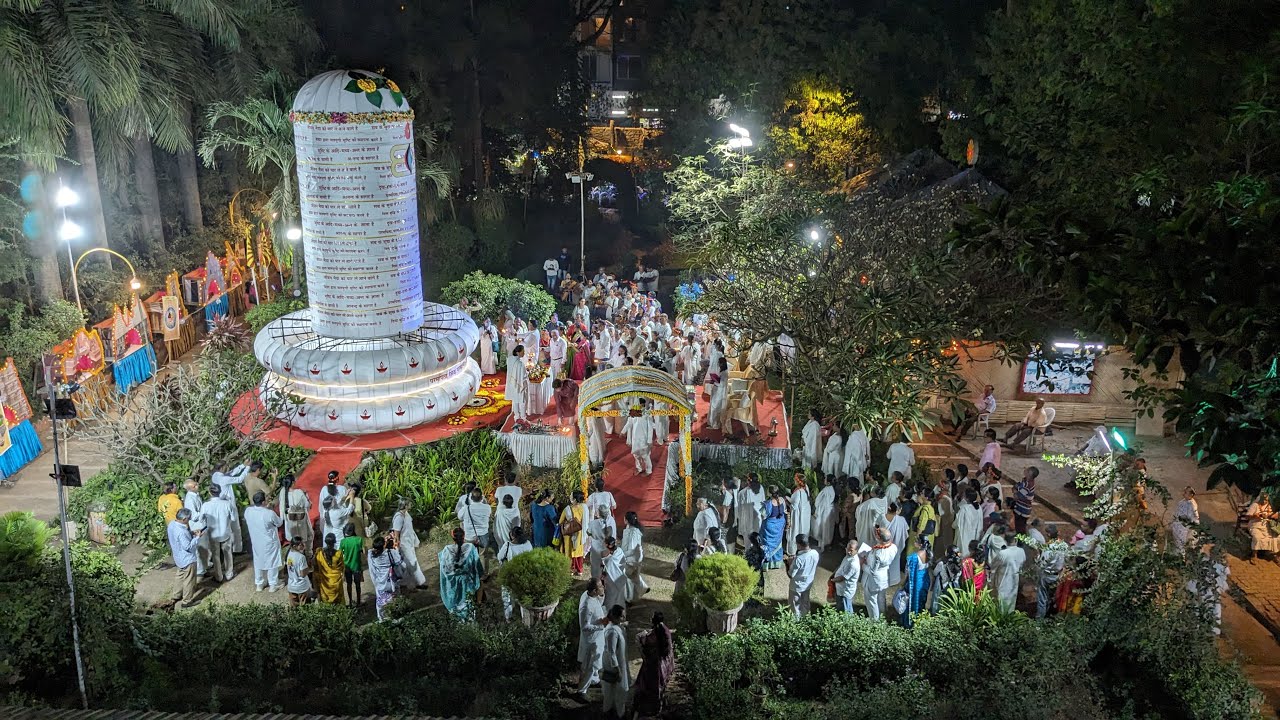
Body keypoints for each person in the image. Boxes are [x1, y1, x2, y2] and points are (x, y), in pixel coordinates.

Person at [633, 612, 675, 717]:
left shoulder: (656, 633)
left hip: (654, 663)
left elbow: (645, 641)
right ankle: (658, 706)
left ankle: (651, 708)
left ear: (654, 620)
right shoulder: (664, 630)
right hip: (663, 663)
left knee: (651, 686)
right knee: (660, 686)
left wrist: (642, 637)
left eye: (652, 617)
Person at [439, 527, 483, 620]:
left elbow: (443, 568)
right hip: (467, 584)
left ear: (453, 537)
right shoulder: (470, 548)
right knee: (468, 609)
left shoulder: (446, 550)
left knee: (455, 611)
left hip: (452, 587)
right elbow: (478, 567)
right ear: (464, 536)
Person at [242, 491, 283, 592]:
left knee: (257, 560)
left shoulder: (248, 511)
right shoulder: (269, 513)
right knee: (272, 561)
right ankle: (273, 584)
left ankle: (259, 583)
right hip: (269, 542)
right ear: (264, 502)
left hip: (256, 541)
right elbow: (279, 523)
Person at [575, 578, 607, 699]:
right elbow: (584, 627)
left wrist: (602, 595)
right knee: (589, 666)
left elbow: (598, 604)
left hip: (597, 637)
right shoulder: (586, 605)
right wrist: (601, 626)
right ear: (594, 591)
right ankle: (581, 691)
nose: (603, 587)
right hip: (591, 641)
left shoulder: (590, 595)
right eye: (601, 587)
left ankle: (594, 679)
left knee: (595, 662)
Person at [166, 507, 202, 609]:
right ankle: (187, 601)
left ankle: (176, 595)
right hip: (187, 559)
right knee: (189, 580)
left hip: (178, 557)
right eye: (188, 519)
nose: (189, 521)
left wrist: (191, 533)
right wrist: (197, 537)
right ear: (184, 519)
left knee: (180, 576)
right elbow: (188, 547)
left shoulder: (171, 524)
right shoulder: (182, 532)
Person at [497, 526, 533, 621]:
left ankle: (508, 617)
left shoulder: (508, 545)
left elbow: (499, 557)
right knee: (523, 597)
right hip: (524, 574)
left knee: (507, 597)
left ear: (513, 535)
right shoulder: (528, 544)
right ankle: (525, 618)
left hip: (510, 574)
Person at [600, 604, 630, 719]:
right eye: (622, 616)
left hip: (619, 665)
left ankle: (617, 713)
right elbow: (611, 652)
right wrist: (617, 670)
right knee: (615, 693)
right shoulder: (612, 632)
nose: (624, 618)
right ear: (615, 617)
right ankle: (616, 715)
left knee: (617, 693)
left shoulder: (616, 627)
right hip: (614, 668)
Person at [201, 484, 237, 582]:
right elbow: (233, 518)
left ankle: (218, 576)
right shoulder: (227, 504)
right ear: (220, 492)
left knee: (215, 555)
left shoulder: (205, 505)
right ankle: (229, 573)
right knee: (228, 553)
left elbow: (201, 519)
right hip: (226, 532)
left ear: (210, 493)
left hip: (213, 533)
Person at [863, 527, 898, 621]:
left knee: (872, 600)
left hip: (875, 580)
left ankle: (875, 621)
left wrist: (863, 564)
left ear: (879, 538)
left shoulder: (878, 553)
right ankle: (883, 615)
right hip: (885, 576)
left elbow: (872, 571)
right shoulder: (893, 547)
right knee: (881, 597)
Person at [392, 498, 428, 588]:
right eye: (409, 504)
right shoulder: (399, 517)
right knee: (412, 561)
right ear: (405, 505)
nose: (411, 505)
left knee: (408, 563)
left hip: (409, 542)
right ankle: (419, 582)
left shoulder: (406, 514)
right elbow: (396, 533)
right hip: (404, 544)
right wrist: (397, 545)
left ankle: (407, 583)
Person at [990, 528, 1027, 613]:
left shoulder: (1003, 553)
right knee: (1011, 603)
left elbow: (993, 565)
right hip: (1014, 581)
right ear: (1016, 539)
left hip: (1002, 582)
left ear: (1005, 540)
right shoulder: (1021, 551)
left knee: (1000, 604)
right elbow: (1022, 564)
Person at [367, 536, 403, 621]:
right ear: (384, 545)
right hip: (392, 581)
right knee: (395, 599)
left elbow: (372, 552)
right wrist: (397, 547)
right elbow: (399, 561)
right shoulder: (391, 552)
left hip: (380, 583)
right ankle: (396, 617)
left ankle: (383, 619)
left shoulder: (371, 555)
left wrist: (383, 542)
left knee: (382, 602)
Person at [1035, 525, 1067, 618]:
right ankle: (1050, 615)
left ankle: (1040, 619)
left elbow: (1043, 563)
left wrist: (1037, 557)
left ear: (1048, 534)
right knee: (1053, 596)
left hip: (1047, 575)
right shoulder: (1064, 545)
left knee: (1042, 596)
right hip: (1058, 575)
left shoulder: (1048, 547)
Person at [786, 533, 820, 618]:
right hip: (808, 583)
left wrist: (788, 563)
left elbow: (790, 574)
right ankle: (806, 618)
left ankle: (795, 621)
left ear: (798, 545)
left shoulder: (799, 559)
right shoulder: (815, 553)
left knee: (795, 606)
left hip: (797, 586)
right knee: (805, 603)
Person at [900, 537, 931, 628]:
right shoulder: (929, 553)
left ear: (920, 544)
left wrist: (903, 583)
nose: (914, 542)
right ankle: (920, 620)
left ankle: (910, 623)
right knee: (921, 600)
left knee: (912, 601)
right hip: (924, 581)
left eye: (916, 541)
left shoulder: (914, 557)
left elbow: (908, 573)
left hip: (915, 582)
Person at [620, 511, 649, 602]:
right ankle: (643, 588)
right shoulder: (632, 530)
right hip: (635, 558)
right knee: (634, 576)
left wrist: (621, 555)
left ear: (627, 520)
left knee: (626, 577)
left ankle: (629, 598)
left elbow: (631, 549)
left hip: (632, 559)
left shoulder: (632, 532)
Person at [278, 475, 312, 551]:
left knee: (293, 537)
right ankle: (305, 552)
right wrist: (306, 496)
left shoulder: (282, 492)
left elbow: (281, 508)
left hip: (289, 520)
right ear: (293, 482)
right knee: (303, 536)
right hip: (300, 519)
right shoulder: (299, 492)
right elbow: (307, 505)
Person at [624, 404, 659, 474]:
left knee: (645, 455)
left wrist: (649, 440)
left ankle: (649, 470)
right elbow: (629, 423)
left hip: (644, 439)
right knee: (636, 455)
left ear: (643, 405)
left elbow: (650, 427)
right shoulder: (633, 413)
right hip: (635, 439)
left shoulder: (646, 414)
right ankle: (639, 468)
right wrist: (623, 432)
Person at [560, 490, 589, 576]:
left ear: (575, 499)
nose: (570, 496)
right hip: (580, 533)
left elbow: (560, 521)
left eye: (571, 495)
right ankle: (579, 570)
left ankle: (571, 570)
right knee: (578, 551)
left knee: (569, 551)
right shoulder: (584, 508)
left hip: (569, 534)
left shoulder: (567, 509)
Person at [929, 545, 963, 613]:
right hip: (954, 588)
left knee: (939, 604)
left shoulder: (942, 564)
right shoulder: (960, 565)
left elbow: (935, 573)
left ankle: (935, 613)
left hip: (942, 588)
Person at [1245, 494, 1280, 562]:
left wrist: (1274, 516)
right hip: (1255, 526)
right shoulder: (1255, 505)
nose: (1264, 501)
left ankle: (1277, 556)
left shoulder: (1270, 506)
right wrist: (1255, 516)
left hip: (1268, 527)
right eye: (1263, 499)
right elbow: (1247, 517)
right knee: (1257, 538)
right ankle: (1254, 555)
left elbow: (1274, 515)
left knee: (1278, 538)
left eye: (1266, 500)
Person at [587, 505, 617, 580]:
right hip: (607, 548)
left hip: (596, 547)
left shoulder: (593, 523)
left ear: (598, 513)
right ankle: (606, 581)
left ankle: (595, 581)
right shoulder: (612, 521)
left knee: (595, 566)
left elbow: (588, 532)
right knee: (607, 566)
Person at [833, 540, 862, 614]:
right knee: (842, 608)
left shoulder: (853, 564)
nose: (848, 552)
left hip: (845, 591)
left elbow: (842, 578)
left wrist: (832, 580)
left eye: (851, 550)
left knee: (846, 610)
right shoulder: (848, 556)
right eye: (847, 549)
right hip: (841, 589)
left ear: (856, 550)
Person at [315, 533, 345, 605]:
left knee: (326, 602)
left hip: (325, 583)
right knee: (338, 604)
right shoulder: (338, 554)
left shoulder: (319, 552)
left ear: (325, 542)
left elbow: (315, 565)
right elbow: (341, 567)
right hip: (336, 581)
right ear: (334, 542)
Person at [735, 475, 765, 546]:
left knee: (748, 541)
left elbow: (739, 509)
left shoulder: (742, 492)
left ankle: (750, 552)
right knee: (757, 538)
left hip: (747, 520)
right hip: (758, 518)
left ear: (748, 481)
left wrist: (738, 519)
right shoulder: (761, 488)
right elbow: (763, 504)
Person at [786, 473, 812, 556]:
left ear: (798, 481)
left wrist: (786, 501)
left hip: (798, 515)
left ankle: (792, 551)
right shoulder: (806, 488)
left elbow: (794, 506)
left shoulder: (798, 492)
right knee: (803, 529)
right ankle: (803, 547)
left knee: (795, 530)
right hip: (804, 513)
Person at [339, 524, 365, 606]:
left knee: (349, 584)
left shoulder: (343, 541)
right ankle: (358, 602)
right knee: (358, 585)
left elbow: (340, 554)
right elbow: (364, 551)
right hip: (357, 566)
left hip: (347, 566)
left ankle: (350, 602)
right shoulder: (359, 539)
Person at [884, 503, 909, 586]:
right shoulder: (902, 520)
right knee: (894, 562)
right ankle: (893, 580)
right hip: (896, 545)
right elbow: (905, 532)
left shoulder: (882, 517)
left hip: (884, 544)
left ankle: (883, 579)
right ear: (898, 510)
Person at [1171, 486, 1200, 553]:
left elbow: (1191, 518)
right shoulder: (1182, 502)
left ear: (1191, 494)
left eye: (1185, 492)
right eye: (1184, 492)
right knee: (1178, 543)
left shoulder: (1191, 504)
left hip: (1185, 528)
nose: (1183, 493)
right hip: (1179, 526)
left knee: (1183, 544)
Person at [954, 489, 982, 558]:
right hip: (974, 533)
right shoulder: (978, 507)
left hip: (964, 533)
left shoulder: (964, 508)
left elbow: (958, 522)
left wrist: (953, 526)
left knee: (962, 552)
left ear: (967, 498)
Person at [505, 344, 530, 421]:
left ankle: (516, 416)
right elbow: (523, 377)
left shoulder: (509, 360)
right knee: (522, 401)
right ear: (518, 352)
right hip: (520, 384)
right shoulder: (520, 364)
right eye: (523, 351)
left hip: (511, 384)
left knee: (515, 400)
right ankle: (523, 417)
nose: (524, 353)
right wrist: (528, 373)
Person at [811, 476, 837, 550]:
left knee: (822, 527)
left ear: (828, 482)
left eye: (825, 479)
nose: (824, 480)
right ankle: (827, 543)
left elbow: (818, 500)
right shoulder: (833, 489)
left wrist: (816, 509)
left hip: (823, 511)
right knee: (828, 528)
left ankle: (822, 544)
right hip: (830, 510)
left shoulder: (825, 490)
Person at [285, 536, 312, 607]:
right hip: (301, 586)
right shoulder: (301, 557)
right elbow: (302, 574)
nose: (304, 545)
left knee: (294, 608)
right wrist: (309, 569)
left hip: (291, 586)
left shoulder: (289, 554)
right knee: (305, 608)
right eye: (301, 544)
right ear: (294, 546)